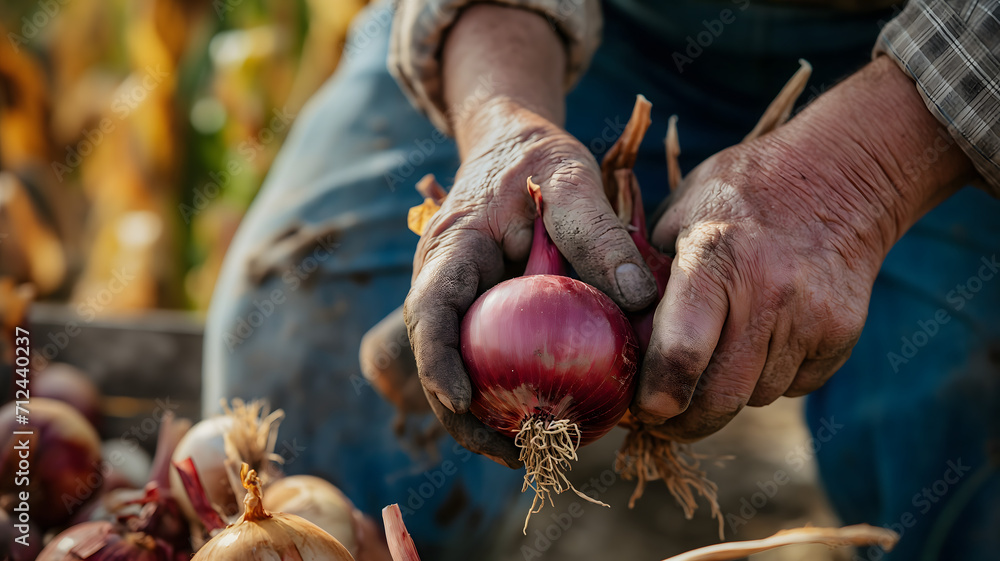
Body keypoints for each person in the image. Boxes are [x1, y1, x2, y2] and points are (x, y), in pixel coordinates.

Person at [203, 0, 1000, 558]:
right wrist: (499, 124)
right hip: (582, 32)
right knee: (301, 326)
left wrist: (852, 182)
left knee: (949, 404)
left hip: (941, 80)